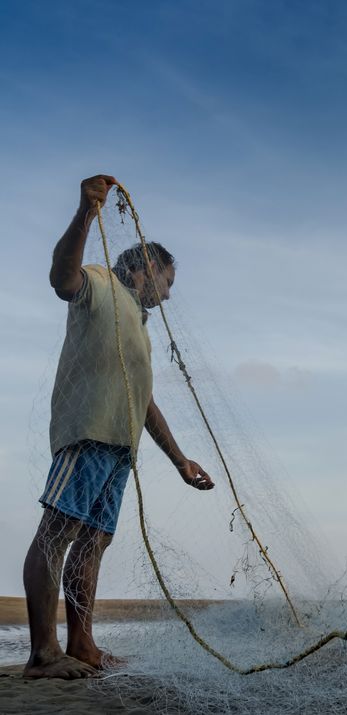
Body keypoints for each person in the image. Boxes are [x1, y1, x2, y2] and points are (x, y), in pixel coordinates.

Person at [22, 175, 215, 679]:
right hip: (87, 432)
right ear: (146, 266)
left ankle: (81, 644)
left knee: (95, 541)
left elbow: (143, 400)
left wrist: (180, 459)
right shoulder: (99, 283)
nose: (168, 296)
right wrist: (86, 214)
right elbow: (60, 280)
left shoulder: (140, 323)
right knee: (56, 533)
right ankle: (43, 654)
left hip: (120, 448)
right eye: (167, 282)